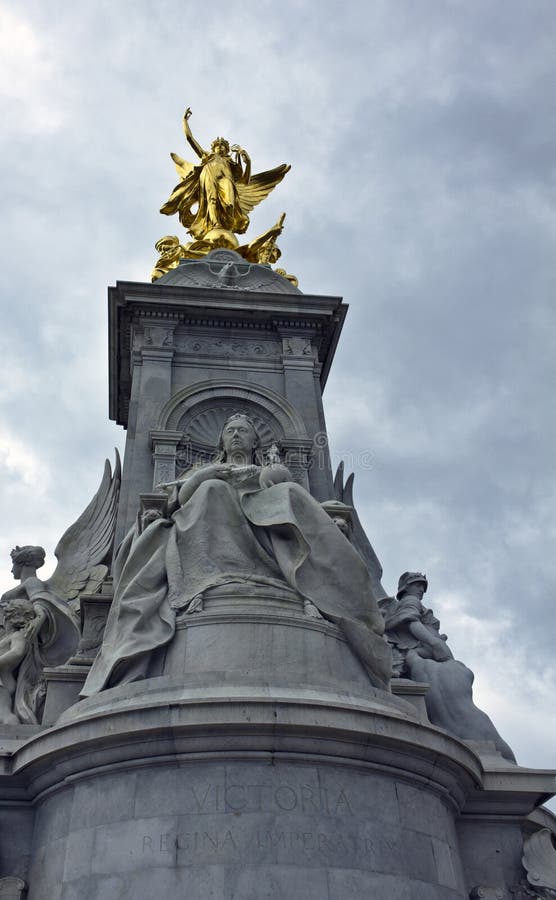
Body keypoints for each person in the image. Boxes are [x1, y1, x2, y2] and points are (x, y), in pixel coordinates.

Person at [82, 413, 392, 696]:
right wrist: (211, 475)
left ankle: (303, 585)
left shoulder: (265, 466)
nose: (235, 436)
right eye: (230, 430)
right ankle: (205, 584)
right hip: (212, 512)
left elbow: (279, 482)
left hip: (263, 515)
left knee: (289, 496)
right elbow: (179, 495)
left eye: (243, 430)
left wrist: (268, 475)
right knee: (212, 492)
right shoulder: (202, 470)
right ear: (220, 440)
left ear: (256, 440)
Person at [160, 108, 290, 249]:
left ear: (227, 149)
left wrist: (248, 162)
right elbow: (189, 139)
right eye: (218, 146)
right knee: (212, 201)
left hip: (225, 180)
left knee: (229, 204)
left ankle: (224, 225)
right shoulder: (208, 157)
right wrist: (184, 121)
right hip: (208, 177)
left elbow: (245, 182)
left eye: (223, 146)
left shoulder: (231, 164)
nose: (220, 147)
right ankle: (215, 224)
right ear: (213, 148)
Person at [0, 546, 80, 723]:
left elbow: (40, 602)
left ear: (22, 563)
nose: (11, 569)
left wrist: (39, 619)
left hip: (21, 638)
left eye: (13, 564)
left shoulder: (31, 583)